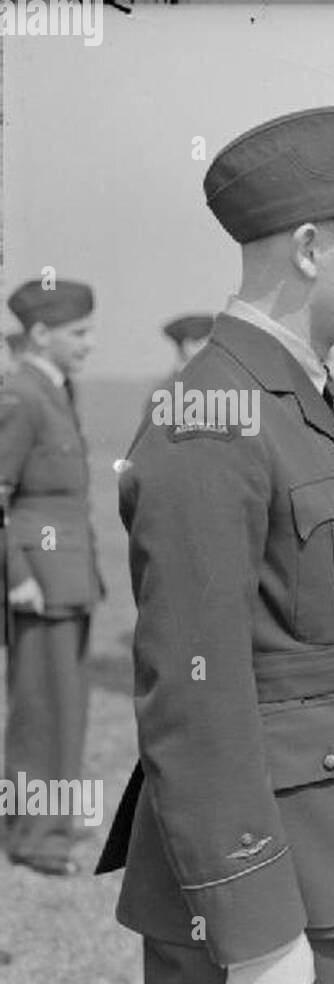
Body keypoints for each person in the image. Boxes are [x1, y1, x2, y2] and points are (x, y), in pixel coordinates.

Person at [95, 104, 334, 984]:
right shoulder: (215, 419)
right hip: (269, 905)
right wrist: (251, 920)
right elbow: (194, 692)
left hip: (327, 869)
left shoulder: (293, 392)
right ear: (316, 247)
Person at [0, 279, 102, 877]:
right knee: (40, 713)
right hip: (39, 580)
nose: (90, 344)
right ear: (40, 333)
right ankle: (35, 836)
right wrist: (16, 575)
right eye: (79, 333)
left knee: (67, 708)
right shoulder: (20, 394)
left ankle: (55, 817)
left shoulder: (53, 389)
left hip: (69, 576)